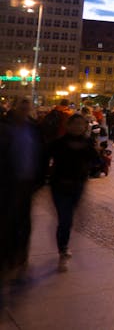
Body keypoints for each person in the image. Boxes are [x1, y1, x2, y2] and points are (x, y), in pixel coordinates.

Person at [0, 98, 44, 282]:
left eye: (27, 108)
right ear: (14, 108)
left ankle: (21, 261)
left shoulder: (33, 128)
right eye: (21, 107)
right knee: (7, 223)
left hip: (27, 183)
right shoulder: (4, 127)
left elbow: (40, 153)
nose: (24, 110)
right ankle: (7, 260)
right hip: (7, 184)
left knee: (24, 223)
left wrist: (39, 179)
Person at [48, 114, 99, 272]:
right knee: (66, 219)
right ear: (68, 125)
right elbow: (45, 158)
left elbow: (97, 161)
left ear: (85, 127)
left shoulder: (88, 143)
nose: (78, 127)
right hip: (60, 186)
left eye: (81, 124)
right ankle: (63, 250)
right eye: (75, 124)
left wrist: (95, 152)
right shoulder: (59, 143)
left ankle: (63, 245)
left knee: (68, 217)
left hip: (78, 185)